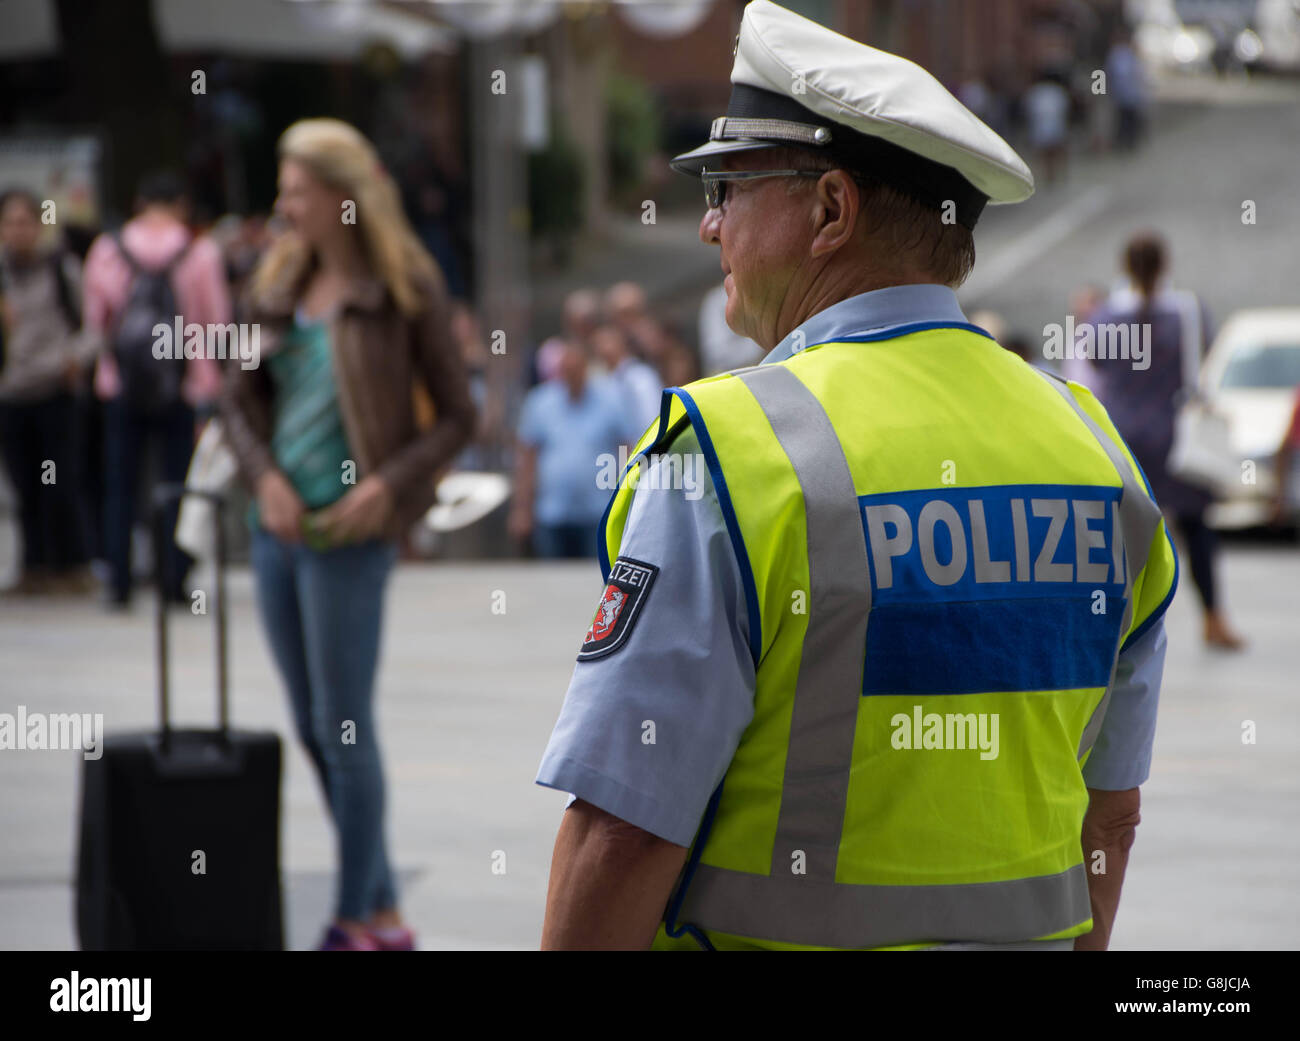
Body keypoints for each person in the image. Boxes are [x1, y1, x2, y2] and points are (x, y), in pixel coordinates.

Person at [536, 0, 1178, 952]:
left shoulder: (728, 450)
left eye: (730, 186)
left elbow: (625, 828)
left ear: (831, 208)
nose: (709, 226)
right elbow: (1109, 820)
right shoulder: (1096, 453)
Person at [221, 118, 476, 951]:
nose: (283, 204)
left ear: (342, 196)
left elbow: (460, 417)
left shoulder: (406, 287)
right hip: (277, 529)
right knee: (309, 721)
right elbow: (235, 399)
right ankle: (386, 909)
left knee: (345, 724)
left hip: (351, 534)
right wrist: (263, 478)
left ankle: (352, 917)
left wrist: (386, 489)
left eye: (296, 189)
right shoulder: (276, 283)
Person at [1084, 232, 1243, 650]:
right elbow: (1203, 356)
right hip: (1176, 435)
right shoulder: (1188, 312)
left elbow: (1094, 362)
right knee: (1197, 526)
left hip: (1123, 434)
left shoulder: (1103, 317)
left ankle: (1112, 620)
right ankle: (1213, 618)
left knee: (1120, 533)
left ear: (1124, 265)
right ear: (1165, 263)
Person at [82, 171, 229, 607]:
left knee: (119, 484)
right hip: (183, 383)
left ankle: (119, 582)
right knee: (177, 483)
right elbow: (216, 321)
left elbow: (97, 322)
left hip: (121, 383)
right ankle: (173, 580)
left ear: (138, 202)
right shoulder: (200, 251)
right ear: (181, 204)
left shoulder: (108, 250)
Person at [0, 188, 97, 593]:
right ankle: (33, 564)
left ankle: (70, 563)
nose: (17, 231)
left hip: (54, 390)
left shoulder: (62, 269)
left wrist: (73, 360)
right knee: (22, 485)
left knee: (56, 479)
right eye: (9, 222)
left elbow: (92, 325)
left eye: (25, 222)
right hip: (11, 393)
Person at [509, 335, 627, 559]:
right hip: (552, 512)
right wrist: (522, 508)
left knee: (594, 580)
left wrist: (626, 502)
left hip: (598, 512)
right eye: (567, 370)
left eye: (576, 369)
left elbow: (626, 448)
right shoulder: (540, 402)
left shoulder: (610, 399)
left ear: (586, 368)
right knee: (553, 584)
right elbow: (527, 459)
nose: (571, 375)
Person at [590, 321, 663, 441]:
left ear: (621, 343)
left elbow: (652, 417)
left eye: (607, 341)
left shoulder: (640, 376)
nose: (603, 348)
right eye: (597, 344)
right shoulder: (600, 381)